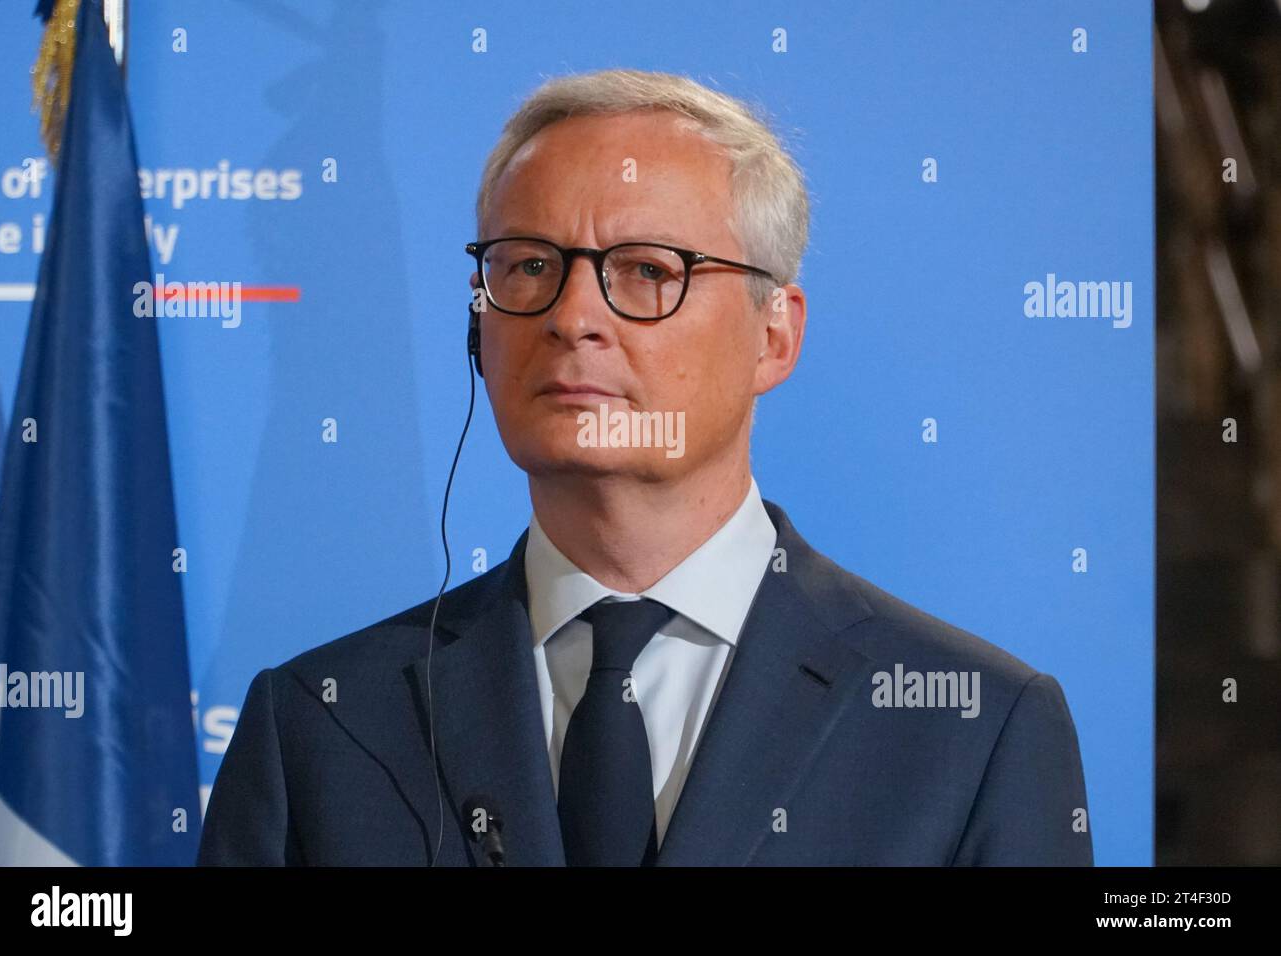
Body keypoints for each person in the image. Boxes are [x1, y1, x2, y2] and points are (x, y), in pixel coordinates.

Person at [197, 68, 1093, 866]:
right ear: (480, 326)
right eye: (530, 266)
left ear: (774, 336)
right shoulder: (319, 722)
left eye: (646, 271)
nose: (574, 315)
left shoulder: (972, 726)